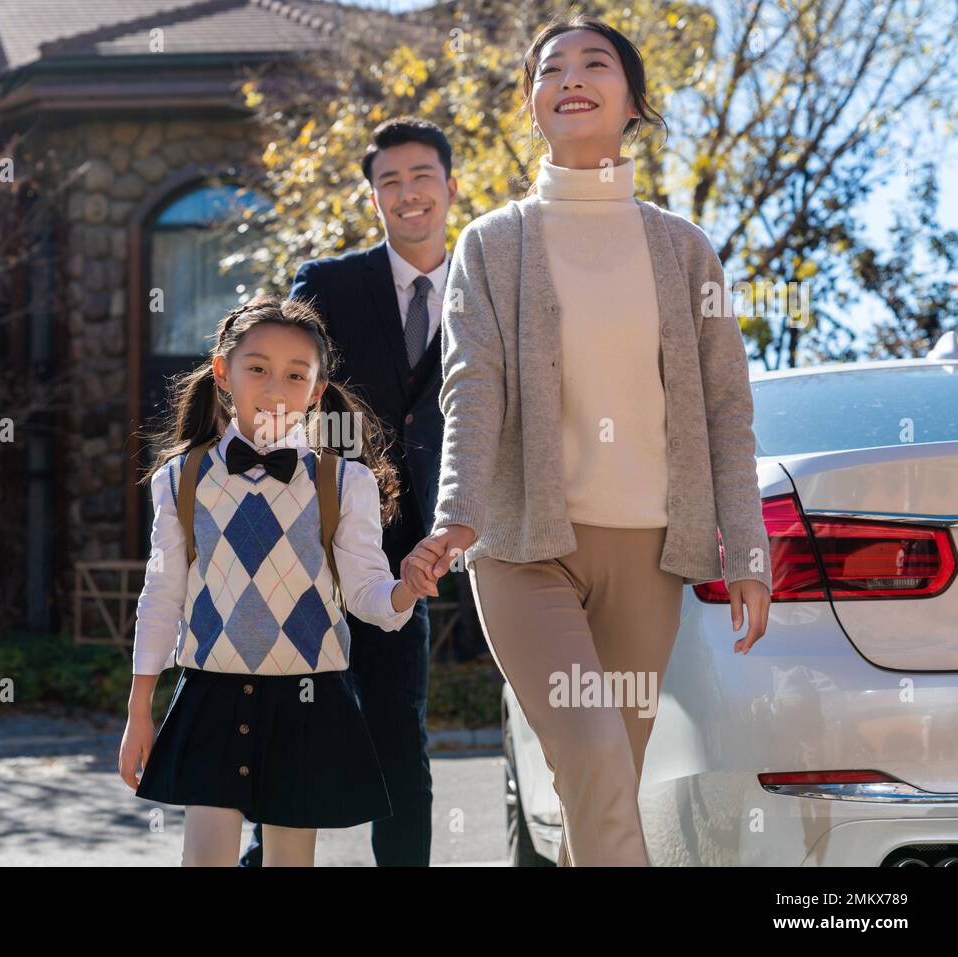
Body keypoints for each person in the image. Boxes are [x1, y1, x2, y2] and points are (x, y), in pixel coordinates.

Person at [402, 14, 772, 866]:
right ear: (532, 104)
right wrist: (456, 515)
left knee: (600, 792)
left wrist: (745, 548)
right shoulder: (492, 243)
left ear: (633, 100)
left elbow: (726, 406)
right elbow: (473, 387)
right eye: (549, 68)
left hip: (650, 556)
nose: (570, 77)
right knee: (597, 762)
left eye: (594, 63)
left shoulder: (685, 251)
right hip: (526, 549)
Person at [119, 293, 421, 866]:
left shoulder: (344, 482)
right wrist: (140, 709)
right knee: (203, 859)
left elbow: (369, 598)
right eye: (257, 368)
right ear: (222, 373)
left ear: (317, 389)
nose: (275, 388)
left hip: (308, 696)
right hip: (211, 689)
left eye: (295, 375)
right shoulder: (181, 478)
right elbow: (162, 595)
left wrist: (408, 585)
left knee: (289, 860)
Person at [241, 116, 456, 868]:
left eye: (421, 176)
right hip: (313, 541)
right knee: (291, 725)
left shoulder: (484, 290)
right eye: (389, 182)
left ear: (450, 186)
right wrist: (328, 487)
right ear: (373, 199)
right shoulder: (329, 284)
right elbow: (288, 392)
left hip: (417, 554)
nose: (407, 194)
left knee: (400, 731)